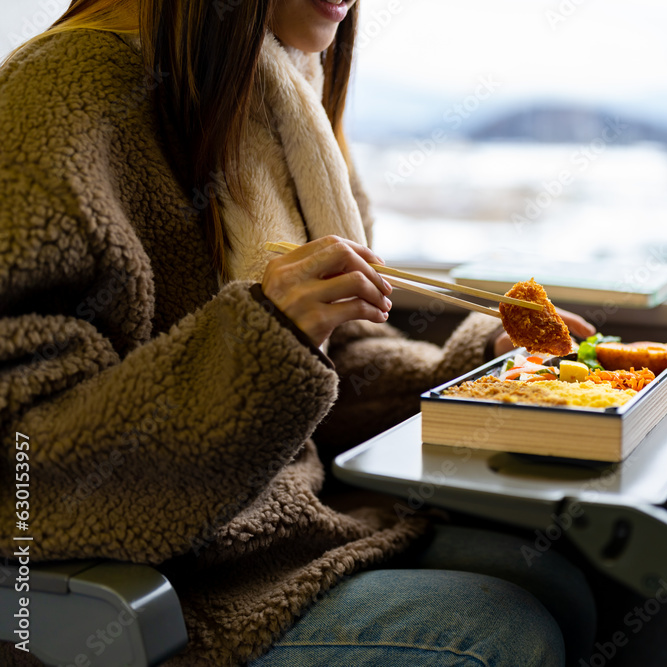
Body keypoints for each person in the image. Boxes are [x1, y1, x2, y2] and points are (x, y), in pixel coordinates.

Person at [0, 0, 597, 664]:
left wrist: (477, 368)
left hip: (286, 532)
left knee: (563, 583)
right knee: (505, 630)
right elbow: (23, 462)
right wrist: (264, 336)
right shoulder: (57, 95)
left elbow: (330, 356)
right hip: (173, 586)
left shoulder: (288, 92)